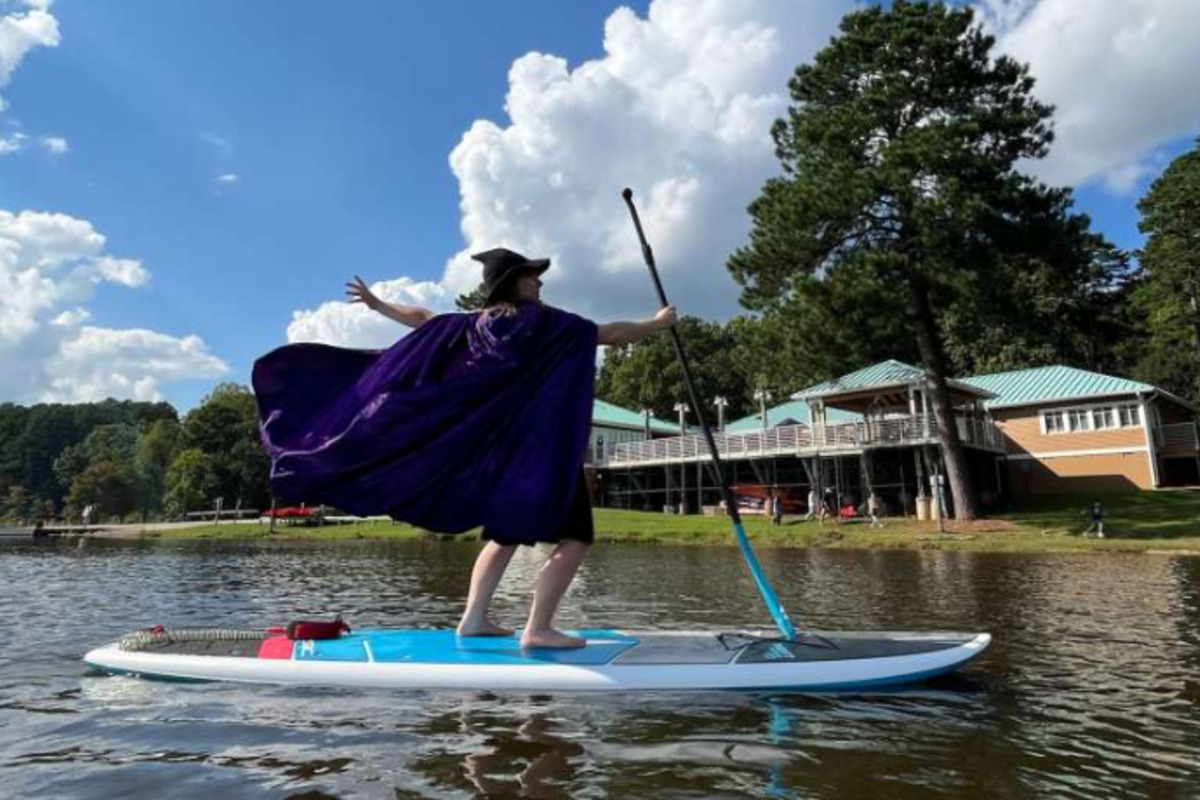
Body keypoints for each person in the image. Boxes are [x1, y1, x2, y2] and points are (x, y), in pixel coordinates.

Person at [333, 248, 677, 649]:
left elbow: (424, 318)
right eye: (532, 276)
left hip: (504, 458)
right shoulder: (548, 324)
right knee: (577, 536)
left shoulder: (476, 326)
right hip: (547, 455)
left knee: (505, 534)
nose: (540, 281)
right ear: (514, 282)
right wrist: (658, 323)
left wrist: (376, 304)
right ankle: (539, 628)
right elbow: (612, 335)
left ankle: (474, 619)